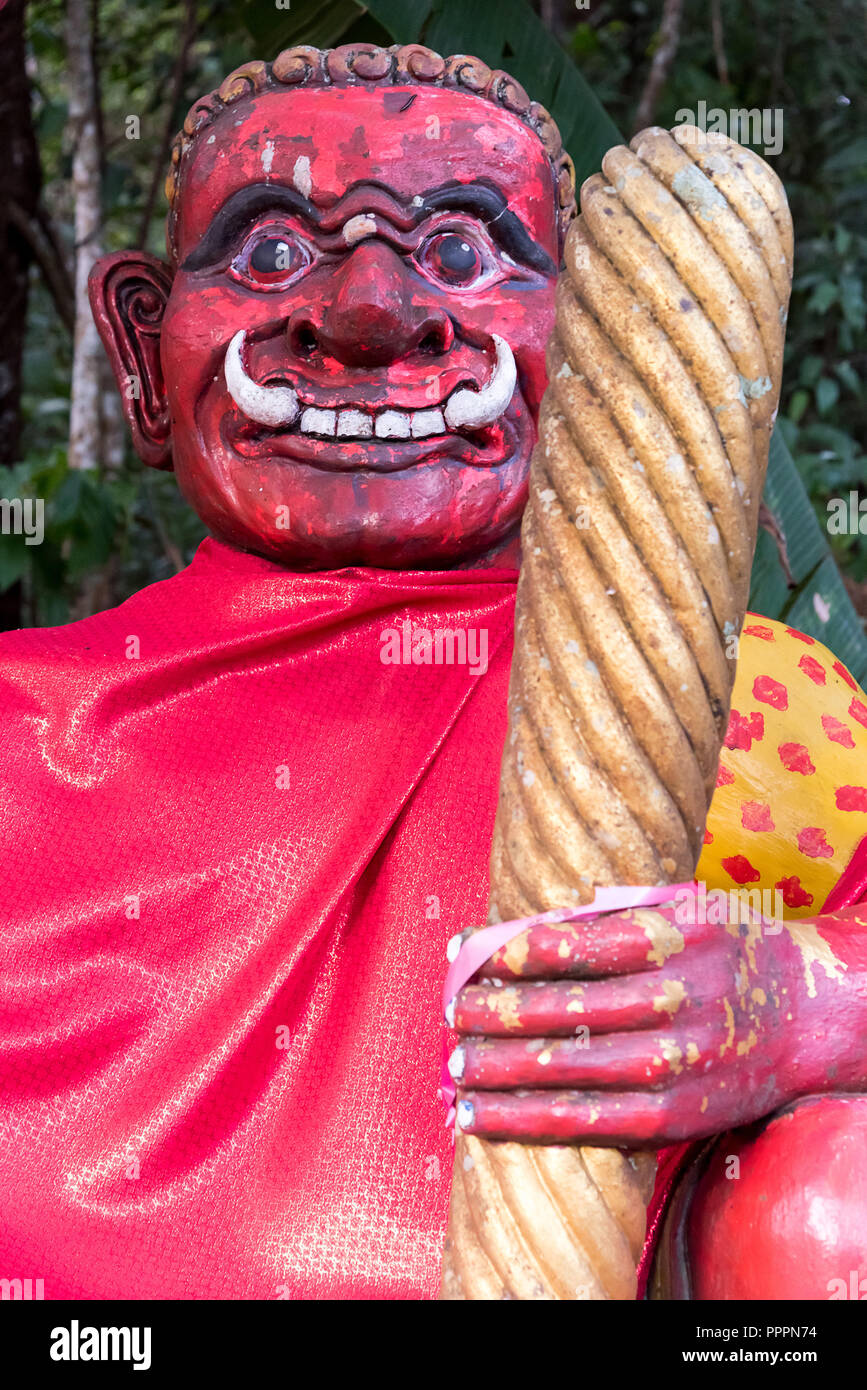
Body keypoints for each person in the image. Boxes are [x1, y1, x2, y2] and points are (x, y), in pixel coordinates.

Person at [0, 42, 864, 1300]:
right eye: (273, 250)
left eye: (463, 252)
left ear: (596, 356)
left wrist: (800, 1004)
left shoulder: (739, 706)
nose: (370, 316)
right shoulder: (22, 721)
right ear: (142, 345)